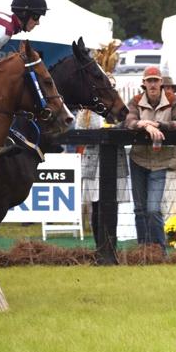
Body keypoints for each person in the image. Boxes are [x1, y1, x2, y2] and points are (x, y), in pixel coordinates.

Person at [124, 67, 176, 251]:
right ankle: (143, 250)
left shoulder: (173, 100)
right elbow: (128, 121)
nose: (153, 84)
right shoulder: (135, 100)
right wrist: (143, 125)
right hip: (138, 159)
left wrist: (158, 124)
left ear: (161, 82)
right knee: (139, 209)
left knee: (153, 209)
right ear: (144, 83)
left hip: (162, 161)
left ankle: (160, 250)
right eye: (149, 80)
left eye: (155, 80)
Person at [78, 74, 131, 265]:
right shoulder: (88, 110)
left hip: (115, 162)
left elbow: (128, 127)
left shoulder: (121, 108)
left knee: (112, 206)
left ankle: (111, 249)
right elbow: (79, 130)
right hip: (94, 163)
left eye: (113, 85)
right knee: (96, 206)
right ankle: (99, 248)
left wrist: (114, 128)